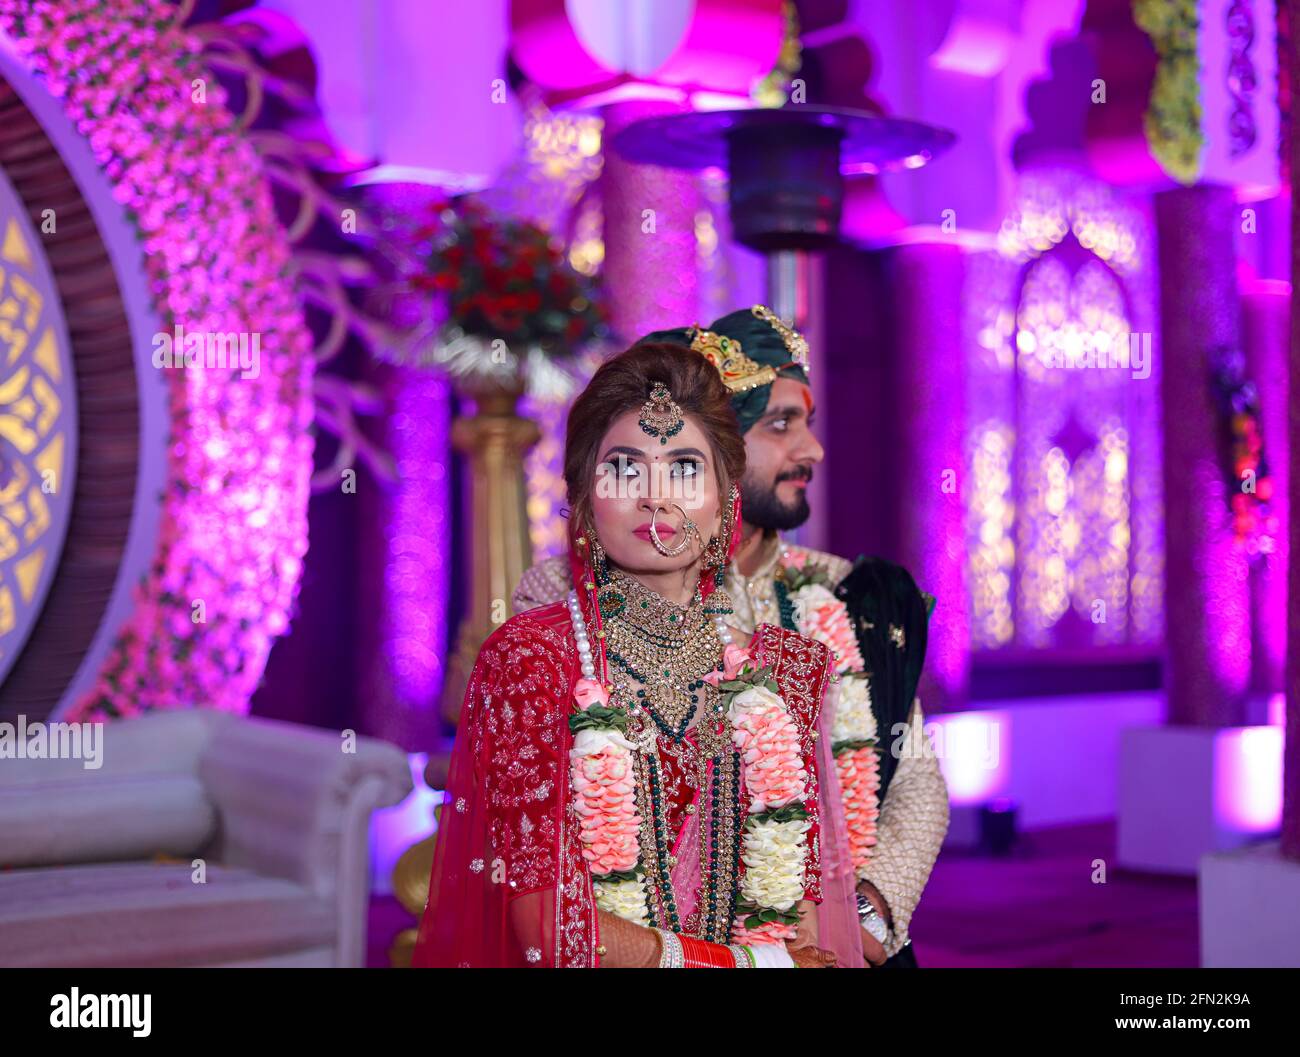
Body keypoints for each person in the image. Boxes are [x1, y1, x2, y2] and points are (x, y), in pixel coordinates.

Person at [513, 306, 950, 968]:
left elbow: (913, 775)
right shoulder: (557, 602)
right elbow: (539, 848)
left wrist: (864, 910)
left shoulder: (845, 598)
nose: (812, 450)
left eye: (808, 423)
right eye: (781, 423)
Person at [413, 341, 866, 967]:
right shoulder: (534, 660)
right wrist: (740, 966)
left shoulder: (789, 671)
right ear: (581, 499)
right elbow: (551, 930)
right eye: (625, 469)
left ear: (726, 500)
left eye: (685, 468)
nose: (658, 497)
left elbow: (801, 938)